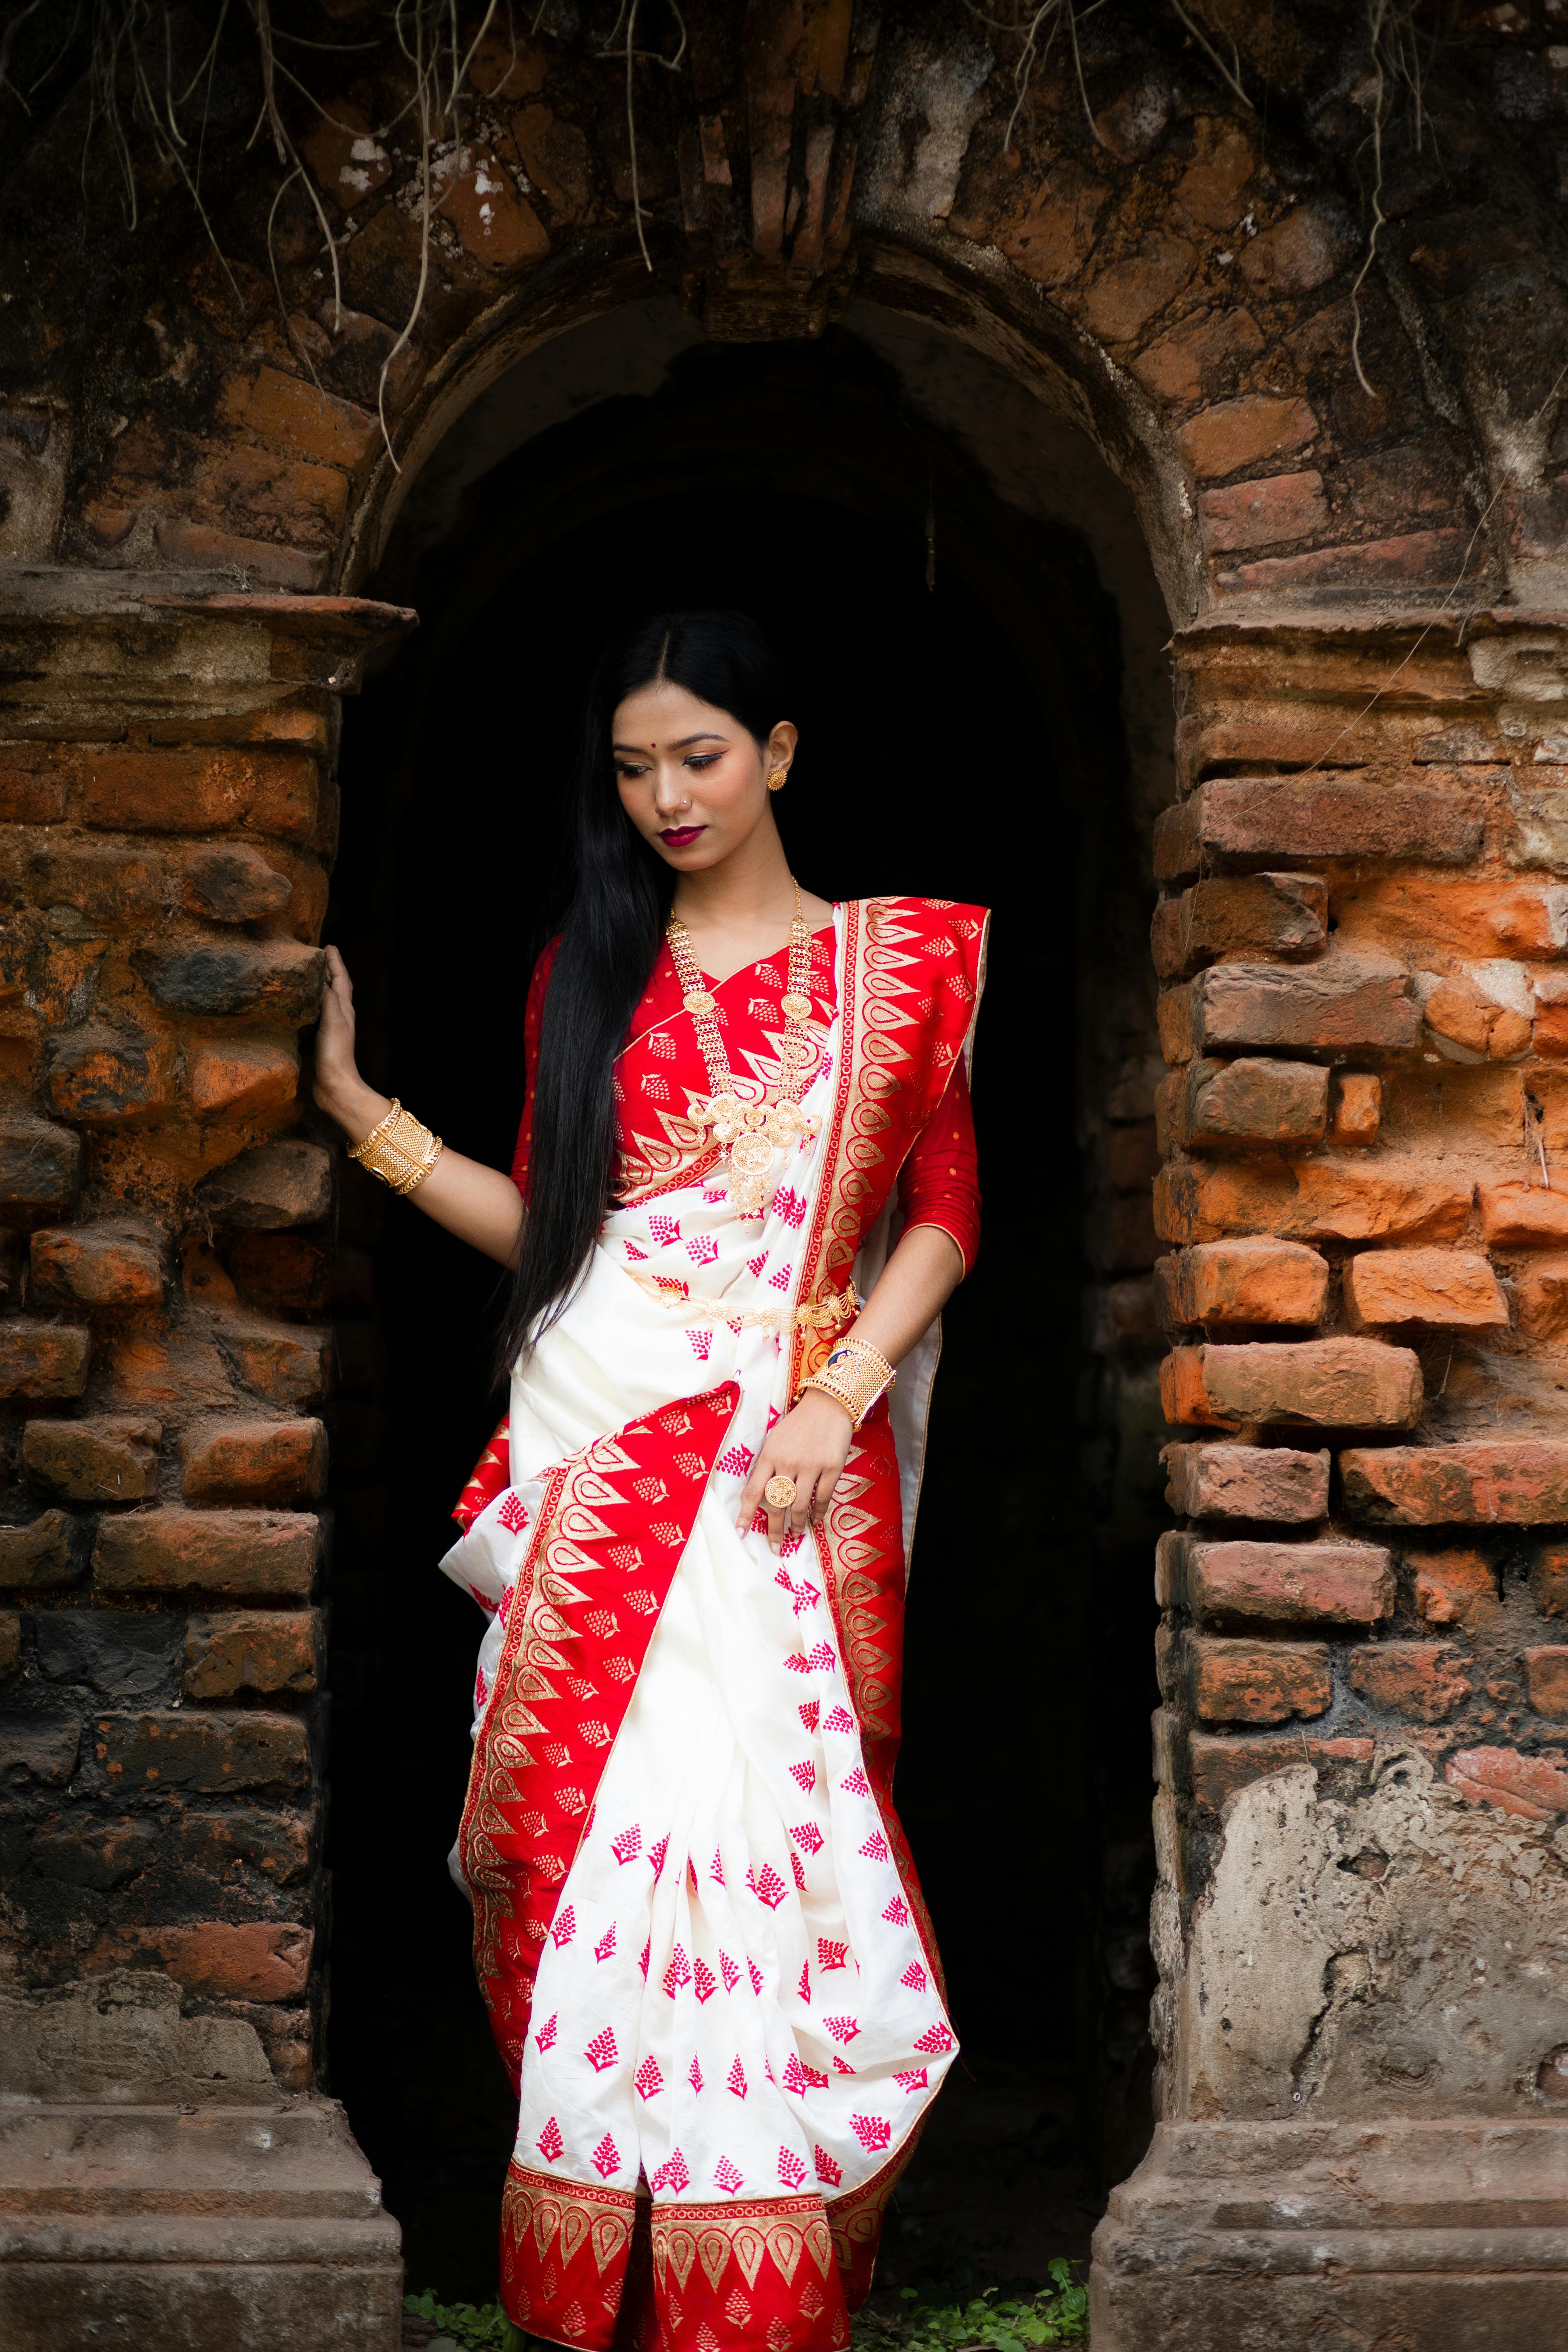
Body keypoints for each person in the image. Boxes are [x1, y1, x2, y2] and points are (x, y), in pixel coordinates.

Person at [314, 611, 987, 2352]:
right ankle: (618, 2275)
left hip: (787, 1463)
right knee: (572, 1835)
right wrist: (362, 1111)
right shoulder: (589, 973)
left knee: (785, 1842)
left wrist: (836, 1396)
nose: (667, 796)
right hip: (597, 1439)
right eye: (632, 769)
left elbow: (941, 1216)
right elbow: (557, 1236)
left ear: (776, 753)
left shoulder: (899, 963)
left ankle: (760, 2287)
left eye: (698, 756)